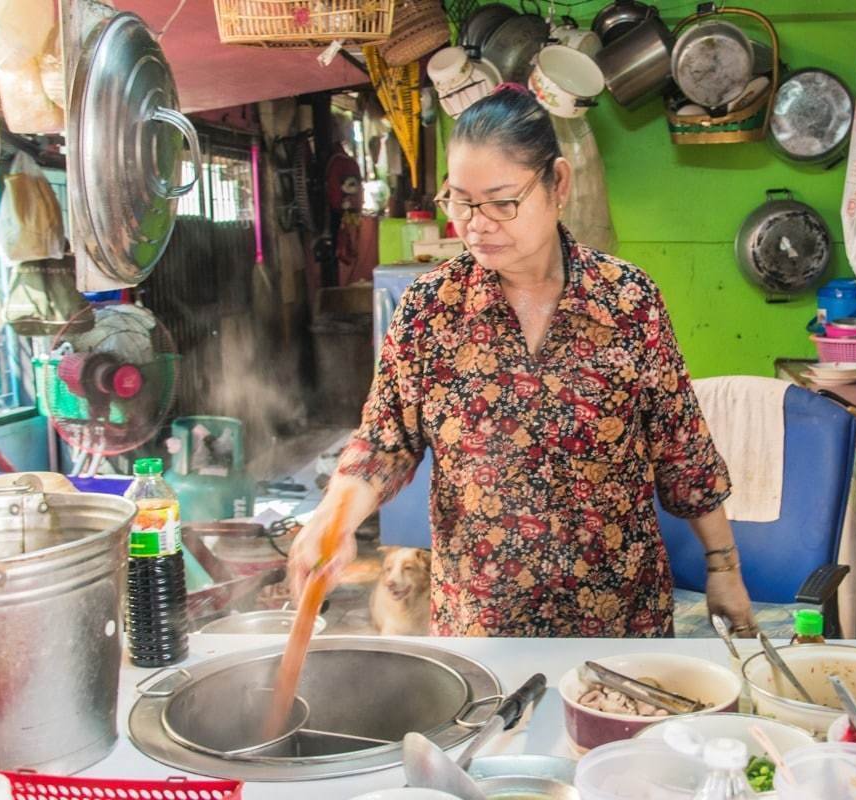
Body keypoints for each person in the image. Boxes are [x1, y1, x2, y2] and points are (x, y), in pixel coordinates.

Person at [289, 85, 757, 638]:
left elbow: (682, 450)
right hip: (483, 630)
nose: (476, 224)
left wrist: (723, 568)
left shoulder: (628, 301)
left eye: (501, 201)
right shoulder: (430, 310)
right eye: (460, 200)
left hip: (618, 625)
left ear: (558, 184)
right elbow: (385, 441)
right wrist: (333, 517)